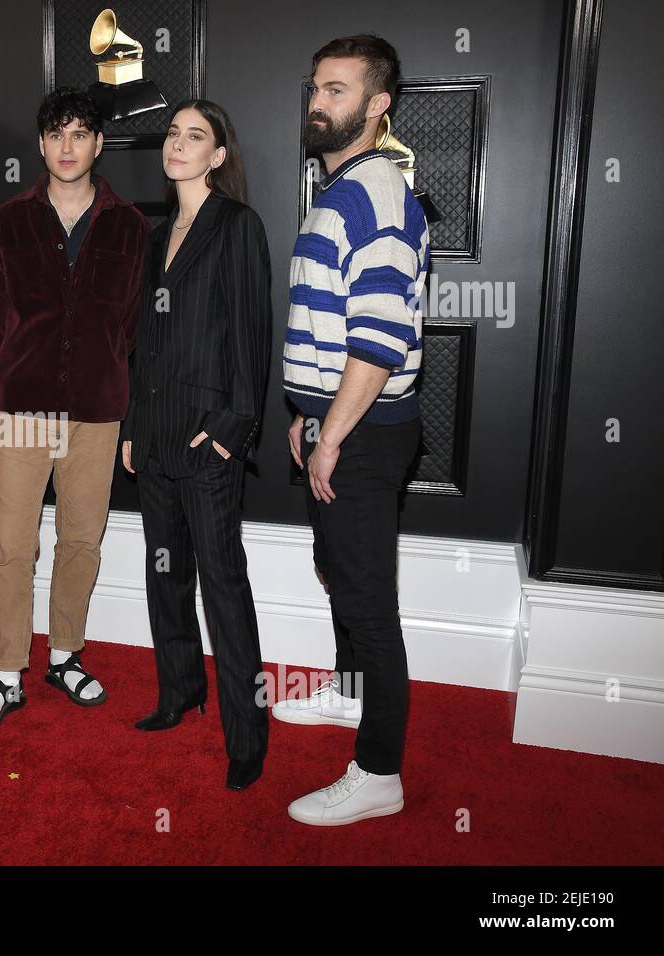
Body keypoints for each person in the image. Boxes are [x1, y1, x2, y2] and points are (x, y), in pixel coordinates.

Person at [0, 86, 149, 731]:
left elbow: (130, 324)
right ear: (41, 145)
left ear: (99, 144)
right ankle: (6, 670)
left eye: (79, 134)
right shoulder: (8, 221)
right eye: (55, 135)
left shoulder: (128, 225)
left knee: (81, 540)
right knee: (12, 543)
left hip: (99, 408)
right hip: (25, 406)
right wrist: (22, 361)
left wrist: (107, 378)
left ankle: (65, 654)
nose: (67, 147)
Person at [277, 35, 427, 825]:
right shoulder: (341, 190)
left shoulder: (377, 194)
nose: (318, 102)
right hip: (336, 422)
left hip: (364, 432)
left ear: (377, 107)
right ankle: (349, 693)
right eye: (316, 86)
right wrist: (308, 417)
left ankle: (379, 774)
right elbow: (329, 326)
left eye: (337, 90)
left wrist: (331, 434)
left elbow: (377, 340)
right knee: (339, 571)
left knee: (368, 600)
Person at [121, 99, 273, 791]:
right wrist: (131, 426)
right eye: (173, 134)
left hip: (207, 441)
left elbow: (250, 337)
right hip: (153, 440)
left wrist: (230, 434)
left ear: (217, 155)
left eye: (196, 136)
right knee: (165, 574)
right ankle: (180, 690)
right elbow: (141, 344)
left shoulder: (237, 227)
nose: (178, 145)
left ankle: (248, 732)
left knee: (223, 586)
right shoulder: (155, 237)